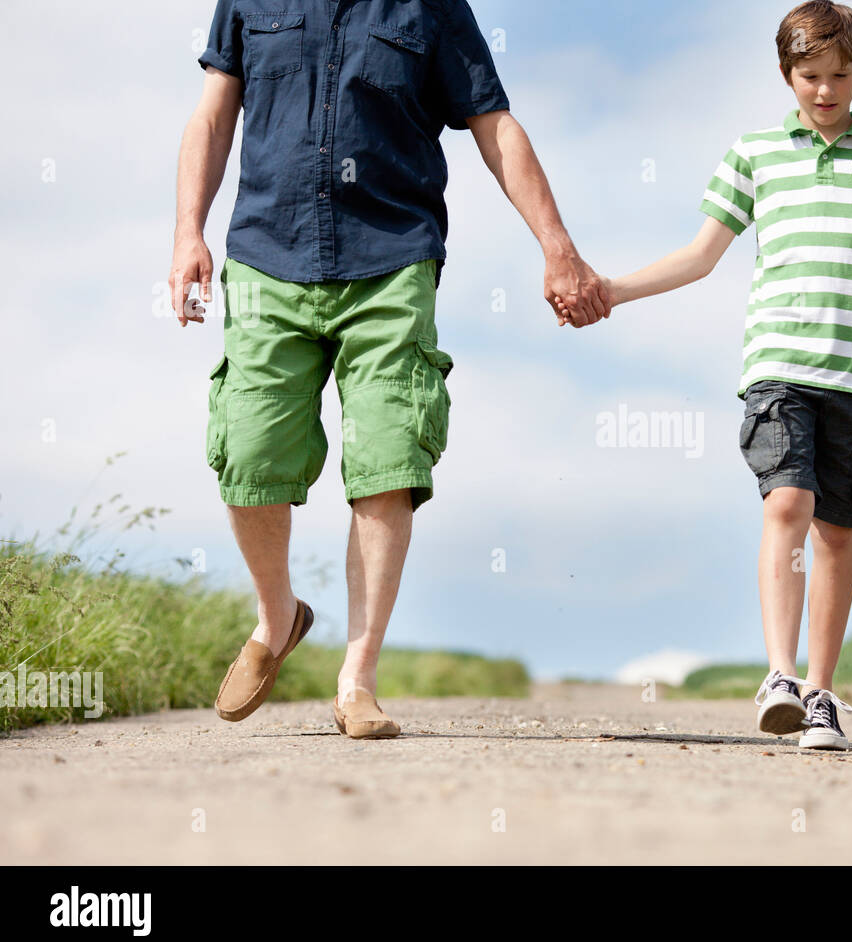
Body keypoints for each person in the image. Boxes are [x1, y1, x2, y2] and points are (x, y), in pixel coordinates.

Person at [170, 0, 609, 738]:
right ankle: (277, 616)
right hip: (266, 255)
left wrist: (556, 244)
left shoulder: (431, 7)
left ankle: (357, 678)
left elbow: (496, 126)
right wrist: (188, 230)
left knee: (388, 459)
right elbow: (213, 115)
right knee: (247, 452)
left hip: (391, 261)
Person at [562, 0, 852, 749]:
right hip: (778, 364)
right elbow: (701, 254)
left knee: (838, 531)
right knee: (788, 504)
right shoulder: (755, 152)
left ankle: (821, 693)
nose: (824, 90)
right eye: (809, 75)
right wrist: (612, 289)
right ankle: (779, 674)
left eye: (839, 75)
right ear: (787, 73)